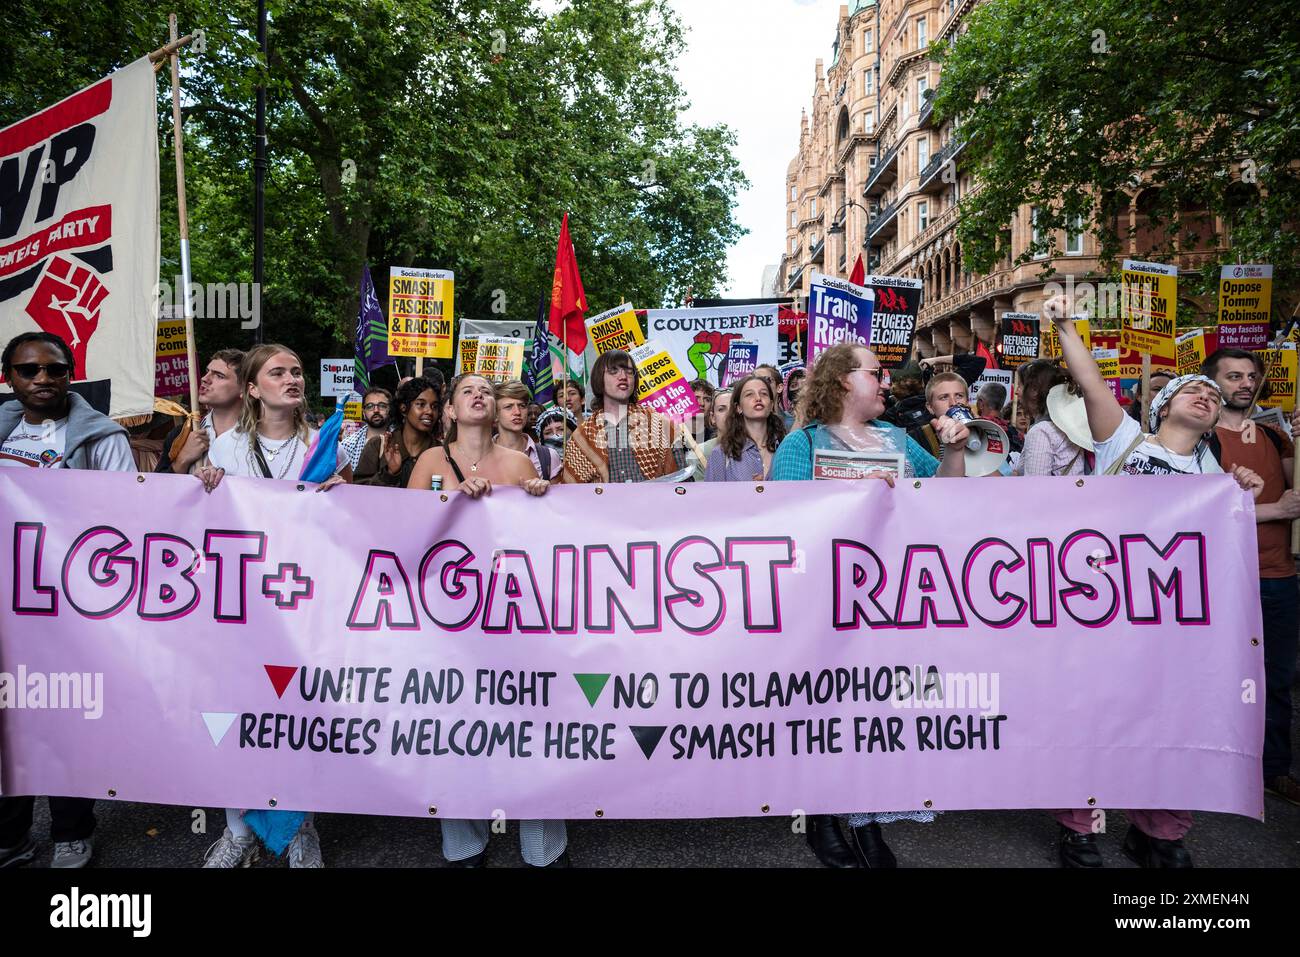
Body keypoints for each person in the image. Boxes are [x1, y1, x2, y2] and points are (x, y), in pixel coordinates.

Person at [1045, 296, 1263, 868]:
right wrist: (1066, 325)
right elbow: (1092, 384)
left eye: (1214, 398)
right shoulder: (1126, 443)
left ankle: (1160, 832)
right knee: (1094, 715)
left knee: (1175, 720)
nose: (1207, 396)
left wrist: (1245, 499)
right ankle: (1080, 828)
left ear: (1217, 420)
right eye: (1196, 390)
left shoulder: (1216, 477)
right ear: (1164, 406)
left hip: (1178, 628)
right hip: (1109, 615)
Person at [770, 342, 970, 868]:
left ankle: (868, 818)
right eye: (876, 374)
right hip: (825, 600)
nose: (886, 383)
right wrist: (857, 493)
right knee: (827, 708)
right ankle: (823, 814)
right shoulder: (801, 444)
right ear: (841, 381)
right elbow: (787, 523)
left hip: (889, 600)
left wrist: (952, 452)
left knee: (875, 711)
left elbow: (946, 499)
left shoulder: (898, 440)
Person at [194, 344, 351, 868]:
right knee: (237, 713)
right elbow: (203, 525)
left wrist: (341, 493)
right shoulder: (226, 451)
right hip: (241, 607)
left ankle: (300, 825)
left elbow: (349, 528)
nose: (292, 379)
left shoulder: (325, 444)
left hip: (305, 606)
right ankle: (237, 828)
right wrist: (203, 485)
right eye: (277, 372)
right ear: (253, 388)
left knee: (300, 715)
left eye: (297, 371)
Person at [405, 375, 563, 867]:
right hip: (449, 620)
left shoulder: (518, 463)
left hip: (510, 612)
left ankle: (542, 842)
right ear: (449, 409)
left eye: (487, 393)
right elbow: (407, 531)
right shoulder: (431, 462)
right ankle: (464, 841)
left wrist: (540, 496)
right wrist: (448, 501)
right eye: (467, 391)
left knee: (528, 726)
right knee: (455, 727)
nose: (479, 397)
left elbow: (544, 539)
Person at [0, 331, 136, 868]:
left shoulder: (101, 438)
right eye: (28, 370)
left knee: (64, 715)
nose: (42, 380)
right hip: (7, 604)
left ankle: (72, 830)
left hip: (70, 607)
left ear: (70, 374)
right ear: (9, 376)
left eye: (54, 369)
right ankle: (10, 833)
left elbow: (127, 517)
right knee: (8, 720)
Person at [1202, 347, 1300, 805]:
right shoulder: (1202, 442)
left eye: (1250, 376)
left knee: (1277, 677)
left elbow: (1295, 493)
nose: (1244, 383)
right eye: (1234, 375)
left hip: (1279, 576)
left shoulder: (1275, 437)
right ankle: (1216, 762)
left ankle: (1274, 768)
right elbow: (1204, 514)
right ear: (1213, 383)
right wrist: (1272, 511)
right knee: (1222, 676)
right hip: (1227, 581)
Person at [560, 350, 687, 483]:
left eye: (629, 371)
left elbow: (683, 483)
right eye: (613, 371)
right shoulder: (583, 436)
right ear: (599, 378)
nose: (623, 376)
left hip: (655, 502)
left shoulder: (659, 424)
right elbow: (572, 495)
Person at [155, 350, 246, 475]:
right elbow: (157, 489)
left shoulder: (260, 436)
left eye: (219, 376)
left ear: (244, 388)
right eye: (207, 372)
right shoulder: (181, 435)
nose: (204, 379)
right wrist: (182, 460)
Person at [353, 375, 440, 487]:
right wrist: (389, 474)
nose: (429, 411)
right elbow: (358, 492)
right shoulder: (378, 445)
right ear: (403, 408)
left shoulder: (441, 451)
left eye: (435, 406)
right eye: (420, 404)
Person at [1013, 360, 1093, 477]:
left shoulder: (1041, 431)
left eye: (1020, 385)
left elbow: (1036, 487)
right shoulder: (1070, 423)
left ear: (1034, 391)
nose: (1016, 392)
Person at [706, 375, 785, 481]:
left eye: (764, 394)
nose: (758, 398)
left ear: (771, 405)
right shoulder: (721, 453)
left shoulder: (785, 447)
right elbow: (712, 496)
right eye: (749, 394)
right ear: (738, 407)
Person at [493, 379, 561, 481]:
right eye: (508, 407)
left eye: (522, 406)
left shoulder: (549, 456)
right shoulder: (480, 455)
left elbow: (557, 496)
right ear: (495, 415)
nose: (517, 412)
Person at [907, 371, 969, 457]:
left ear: (967, 402)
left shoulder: (982, 429)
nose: (953, 403)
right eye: (944, 397)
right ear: (930, 407)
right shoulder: (915, 439)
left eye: (959, 396)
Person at [343, 387, 393, 471]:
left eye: (382, 406)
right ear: (363, 413)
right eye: (370, 406)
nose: (376, 410)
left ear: (390, 409)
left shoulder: (401, 439)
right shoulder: (348, 445)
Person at [690, 387, 733, 482]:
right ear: (713, 417)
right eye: (721, 409)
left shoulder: (757, 449)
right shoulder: (699, 454)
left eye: (734, 408)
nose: (730, 414)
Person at [689, 377, 716, 442]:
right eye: (696, 398)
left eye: (707, 400)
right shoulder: (673, 433)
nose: (702, 403)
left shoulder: (716, 437)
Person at [780, 365, 807, 429]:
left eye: (805, 384)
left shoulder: (822, 417)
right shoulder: (782, 420)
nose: (800, 388)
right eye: (794, 385)